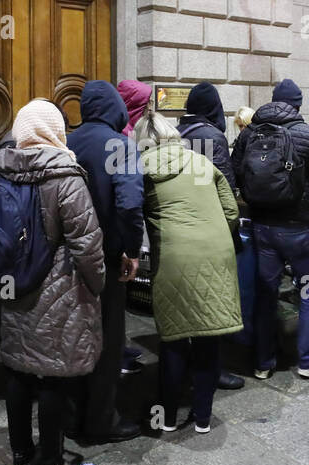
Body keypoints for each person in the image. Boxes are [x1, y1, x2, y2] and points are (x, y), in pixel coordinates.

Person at [0, 99, 104, 465]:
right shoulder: (66, 176)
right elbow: (87, 244)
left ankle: (21, 458)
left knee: (19, 371)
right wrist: (98, 285)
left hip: (15, 288)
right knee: (53, 376)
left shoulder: (3, 170)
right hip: (58, 290)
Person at [231, 79, 309, 379]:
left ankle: (263, 363)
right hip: (298, 230)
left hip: (262, 229)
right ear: (298, 104)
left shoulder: (249, 134)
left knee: (266, 293)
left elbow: (235, 174)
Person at [134, 110, 241, 433]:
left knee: (174, 339)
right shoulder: (201, 162)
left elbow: (130, 211)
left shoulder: (141, 168)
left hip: (174, 257)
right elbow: (231, 210)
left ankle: (166, 417)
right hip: (216, 253)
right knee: (208, 339)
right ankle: (203, 417)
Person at [65, 81, 144, 444]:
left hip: (67, 257)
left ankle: (71, 412)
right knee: (109, 340)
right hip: (106, 257)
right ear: (116, 108)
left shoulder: (67, 141)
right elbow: (128, 203)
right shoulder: (119, 144)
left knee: (74, 335)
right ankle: (101, 421)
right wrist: (131, 249)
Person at [176, 82, 246, 390]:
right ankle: (210, 371)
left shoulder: (176, 133)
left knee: (187, 303)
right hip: (208, 229)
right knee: (211, 304)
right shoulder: (213, 136)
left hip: (180, 228)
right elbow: (225, 191)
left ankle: (185, 368)